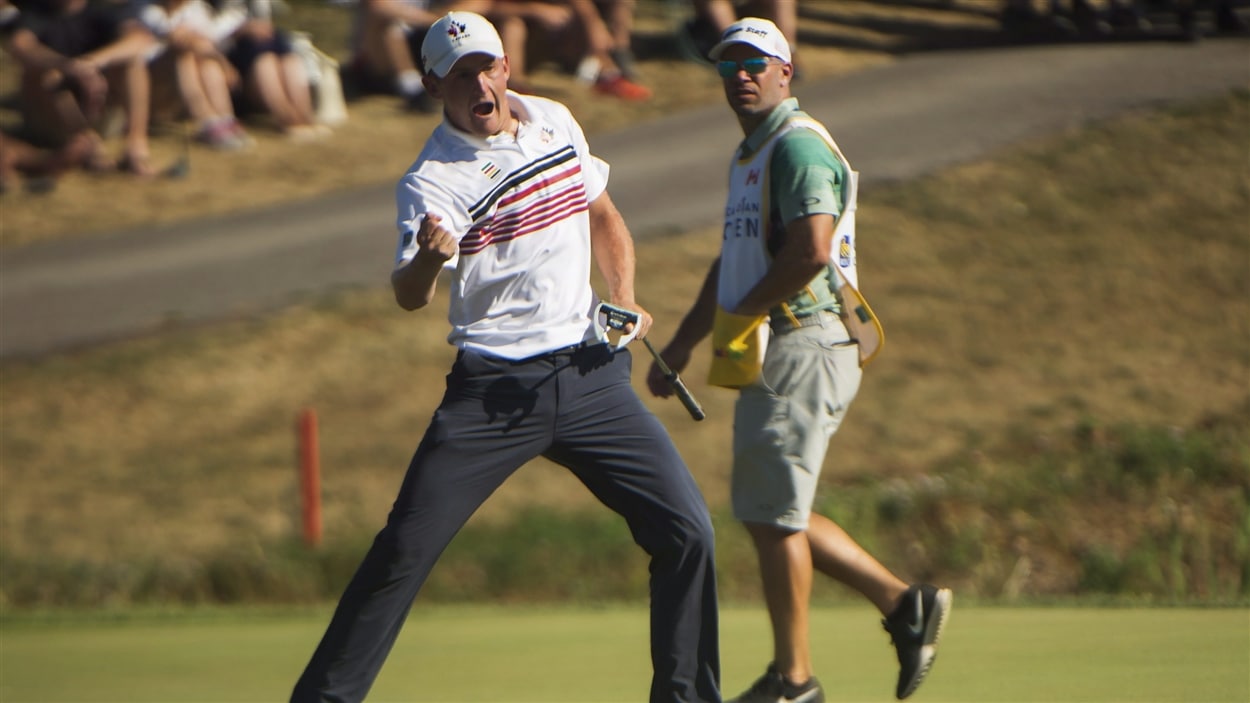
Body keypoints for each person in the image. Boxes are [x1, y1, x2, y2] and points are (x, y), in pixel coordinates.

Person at [289, 10, 721, 703]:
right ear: (434, 86)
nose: (480, 84)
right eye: (462, 76)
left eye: (487, 67)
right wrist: (429, 262)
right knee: (402, 551)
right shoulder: (430, 181)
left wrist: (624, 294)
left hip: (590, 377)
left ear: (505, 67)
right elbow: (408, 295)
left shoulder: (553, 119)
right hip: (490, 394)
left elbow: (602, 214)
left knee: (688, 530)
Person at [646, 18, 951, 703]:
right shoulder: (754, 153)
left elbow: (810, 250)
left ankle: (795, 679)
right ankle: (905, 603)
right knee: (769, 508)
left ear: (787, 70)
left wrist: (739, 316)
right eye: (728, 66)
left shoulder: (796, 147)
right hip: (784, 342)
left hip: (804, 337)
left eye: (755, 63)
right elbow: (737, 259)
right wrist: (687, 341)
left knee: (773, 513)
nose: (741, 76)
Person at [5, 0, 157, 175]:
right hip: (54, 118)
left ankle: (136, 145)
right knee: (43, 76)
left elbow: (140, 39)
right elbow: (20, 45)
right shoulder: (36, 13)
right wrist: (65, 67)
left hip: (100, 108)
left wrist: (91, 63)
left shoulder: (101, 11)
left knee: (132, 65)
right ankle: (87, 144)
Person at [140, 0, 253, 150]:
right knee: (183, 56)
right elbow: (178, 39)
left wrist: (216, 59)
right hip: (155, 87)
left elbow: (206, 40)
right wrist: (224, 63)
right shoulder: (148, 10)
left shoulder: (196, 8)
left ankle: (225, 119)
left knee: (206, 62)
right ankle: (207, 121)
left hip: (182, 84)